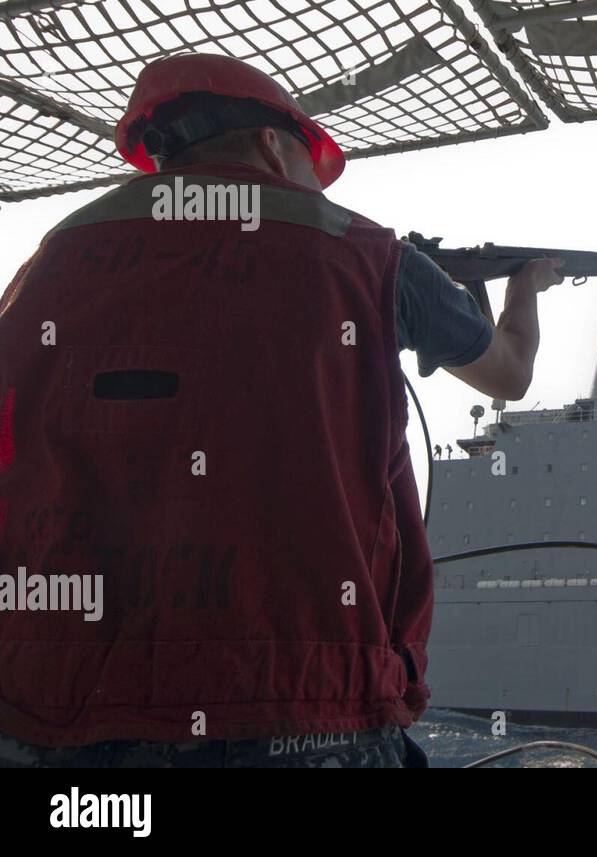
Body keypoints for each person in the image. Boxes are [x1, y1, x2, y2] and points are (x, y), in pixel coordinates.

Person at [0, 53, 562, 767]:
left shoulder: (43, 269)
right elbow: (508, 374)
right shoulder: (369, 257)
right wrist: (526, 285)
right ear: (273, 143)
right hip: (303, 706)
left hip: (47, 712)